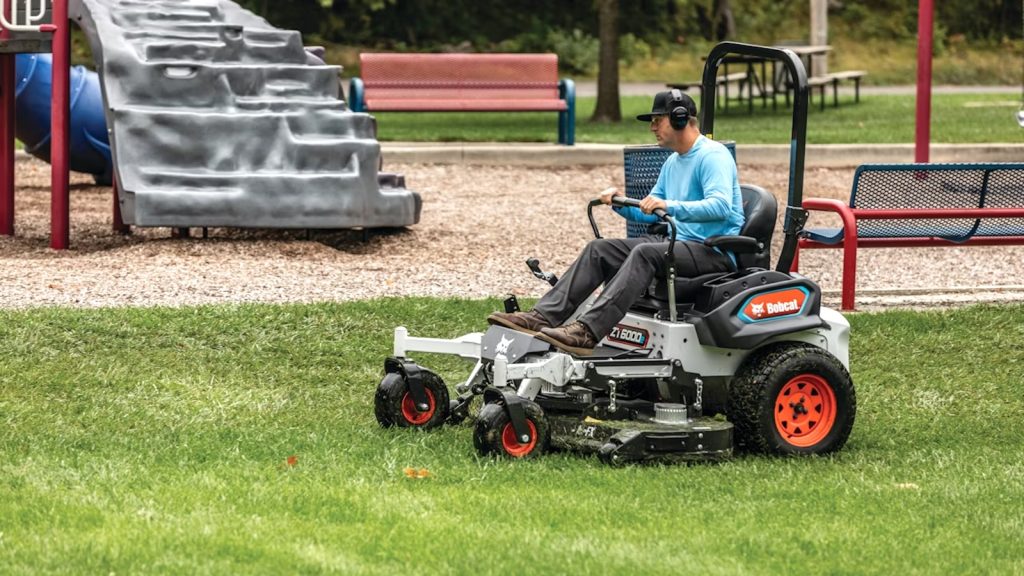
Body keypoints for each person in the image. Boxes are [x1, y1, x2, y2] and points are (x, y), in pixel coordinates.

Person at [488, 90, 745, 356]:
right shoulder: (673, 162)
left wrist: (669, 205)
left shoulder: (712, 155)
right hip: (678, 243)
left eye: (658, 120)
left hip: (711, 251)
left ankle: (587, 332)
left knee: (645, 252)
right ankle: (542, 318)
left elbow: (721, 206)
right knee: (599, 249)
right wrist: (619, 204)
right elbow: (650, 212)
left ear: (680, 119)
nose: (652, 127)